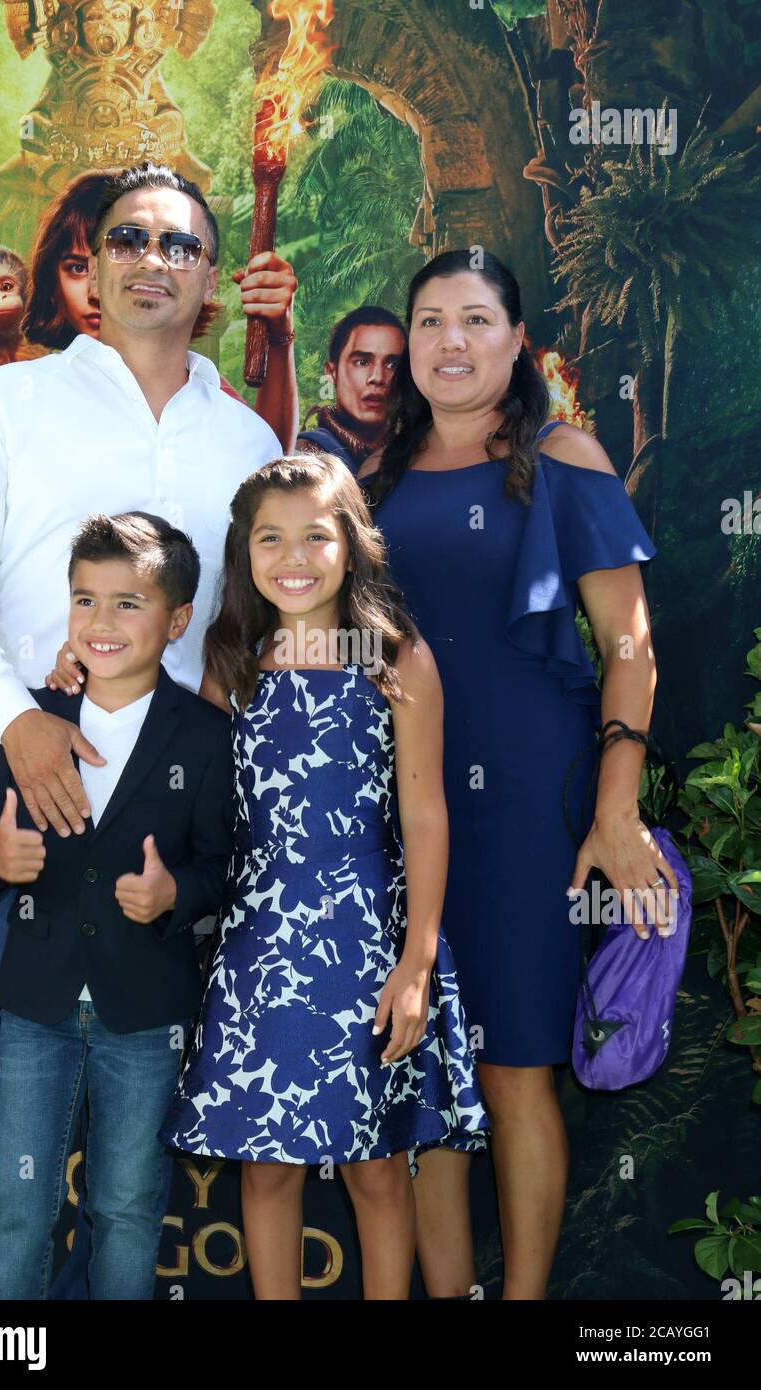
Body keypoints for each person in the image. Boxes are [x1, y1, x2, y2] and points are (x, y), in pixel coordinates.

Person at [0, 159, 282, 1300]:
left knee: (134, 1079)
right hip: (19, 773)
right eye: (129, 239)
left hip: (173, 803)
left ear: (210, 276)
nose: (151, 260)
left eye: (177, 243)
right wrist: (21, 723)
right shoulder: (8, 402)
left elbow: (260, 621)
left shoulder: (249, 440)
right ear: (92, 264)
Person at [357, 249, 677, 1301]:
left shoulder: (560, 454)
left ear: (514, 342)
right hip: (397, 806)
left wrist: (615, 805)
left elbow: (627, 645)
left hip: (531, 801)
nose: (450, 341)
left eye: (475, 320)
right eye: (431, 322)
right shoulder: (375, 476)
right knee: (423, 1066)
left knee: (512, 1063)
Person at [158, 452, 489, 1301]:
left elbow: (424, 817)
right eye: (270, 538)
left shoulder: (393, 657)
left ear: (353, 544)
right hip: (257, 947)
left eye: (315, 535)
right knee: (267, 1172)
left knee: (377, 1170)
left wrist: (416, 965)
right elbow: (203, 802)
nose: (292, 557)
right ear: (245, 551)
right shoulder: (233, 661)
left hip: (366, 946)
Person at [0, 512, 233, 1299]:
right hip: (35, 1005)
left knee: (129, 1206)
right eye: (85, 600)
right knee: (17, 1200)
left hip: (145, 1013)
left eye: (128, 603)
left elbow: (222, 867)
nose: (101, 623)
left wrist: (175, 894)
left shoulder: (207, 738)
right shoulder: (31, 722)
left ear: (177, 619)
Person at [22, 168, 301, 448]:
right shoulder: (18, 395)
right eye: (77, 268)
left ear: (208, 282)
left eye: (176, 249)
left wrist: (278, 337)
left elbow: (266, 462)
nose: (148, 265)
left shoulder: (198, 393)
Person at [296, 306, 406, 474]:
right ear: (332, 373)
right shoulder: (307, 457)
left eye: (392, 365)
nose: (377, 377)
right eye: (362, 362)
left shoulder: (414, 452)